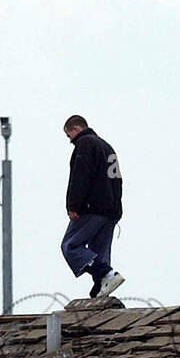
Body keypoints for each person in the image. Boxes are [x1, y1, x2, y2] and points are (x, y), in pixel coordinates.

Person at [62, 115, 125, 299]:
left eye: (69, 136)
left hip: (93, 208)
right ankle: (100, 289)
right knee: (98, 252)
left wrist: (73, 205)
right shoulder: (107, 147)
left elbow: (80, 176)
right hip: (112, 209)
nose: (70, 141)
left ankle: (107, 274)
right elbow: (118, 181)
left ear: (75, 129)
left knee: (70, 246)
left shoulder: (85, 144)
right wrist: (116, 208)